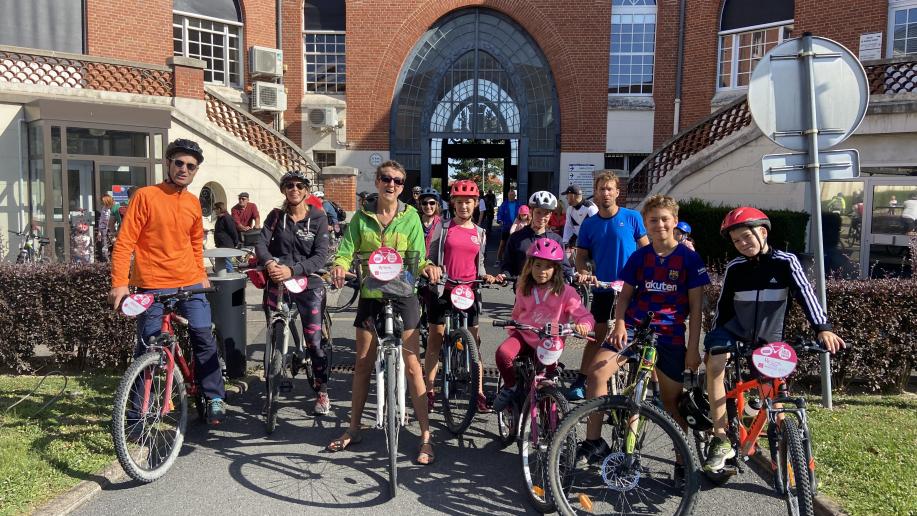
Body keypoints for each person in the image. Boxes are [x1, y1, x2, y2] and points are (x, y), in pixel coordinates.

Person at [702, 207, 845, 472]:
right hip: (733, 330)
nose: (742, 244)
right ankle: (720, 438)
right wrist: (715, 341)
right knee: (716, 362)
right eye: (736, 241)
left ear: (763, 232)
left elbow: (805, 293)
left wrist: (822, 328)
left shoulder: (785, 262)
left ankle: (783, 447)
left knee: (773, 398)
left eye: (746, 237)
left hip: (768, 337)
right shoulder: (735, 267)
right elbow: (723, 308)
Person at [579, 195, 709, 469]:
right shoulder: (640, 256)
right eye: (653, 220)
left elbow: (697, 309)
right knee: (596, 374)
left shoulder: (689, 258)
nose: (659, 224)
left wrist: (693, 349)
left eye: (664, 219)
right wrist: (620, 324)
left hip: (670, 335)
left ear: (675, 221)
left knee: (672, 404)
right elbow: (625, 296)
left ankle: (682, 464)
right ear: (646, 224)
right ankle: (594, 441)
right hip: (635, 328)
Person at [327, 160, 441, 465]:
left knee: (413, 366)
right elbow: (346, 250)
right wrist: (339, 264)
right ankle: (354, 429)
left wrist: (428, 267)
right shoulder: (362, 216)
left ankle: (426, 436)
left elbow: (419, 255)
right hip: (371, 295)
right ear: (377, 181)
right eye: (386, 179)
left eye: (398, 181)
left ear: (403, 186)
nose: (391, 184)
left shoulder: (411, 216)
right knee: (363, 364)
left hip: (403, 295)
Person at [108, 138, 226, 425]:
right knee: (148, 347)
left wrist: (202, 275)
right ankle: (137, 412)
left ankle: (214, 396)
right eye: (179, 163)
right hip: (153, 285)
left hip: (190, 283)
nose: (184, 169)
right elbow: (124, 243)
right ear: (168, 163)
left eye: (191, 166)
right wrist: (120, 283)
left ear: (195, 171)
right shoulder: (146, 196)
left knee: (202, 336)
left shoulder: (193, 203)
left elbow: (195, 245)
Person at [256, 171, 332, 414]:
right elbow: (261, 244)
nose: (294, 189)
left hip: (308, 283)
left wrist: (294, 270)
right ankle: (272, 386)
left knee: (314, 342)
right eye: (289, 185)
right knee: (273, 333)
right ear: (283, 190)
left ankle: (322, 391)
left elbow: (321, 255)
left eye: (300, 186)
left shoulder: (318, 217)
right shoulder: (276, 216)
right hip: (277, 281)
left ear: (306, 191)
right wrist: (269, 262)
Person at [568, 172, 649, 400]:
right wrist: (584, 272)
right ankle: (582, 379)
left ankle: (652, 388)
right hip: (603, 289)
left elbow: (646, 251)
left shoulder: (632, 217)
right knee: (598, 335)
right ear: (595, 192)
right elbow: (581, 256)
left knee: (641, 337)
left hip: (632, 290)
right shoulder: (589, 224)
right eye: (601, 189)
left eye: (610, 189)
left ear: (617, 192)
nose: (605, 193)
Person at [425, 180, 501, 414]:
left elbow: (479, 263)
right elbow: (429, 257)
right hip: (443, 289)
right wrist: (431, 268)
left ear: (476, 204)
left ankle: (479, 392)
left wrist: (486, 276)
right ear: (453, 204)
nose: (464, 206)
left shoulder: (480, 232)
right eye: (459, 202)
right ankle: (429, 390)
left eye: (468, 202)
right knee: (435, 339)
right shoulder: (443, 227)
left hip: (469, 291)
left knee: (474, 342)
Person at [492, 238, 594, 410]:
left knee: (546, 386)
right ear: (530, 266)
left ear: (556, 269)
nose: (542, 271)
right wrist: (513, 328)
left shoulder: (567, 292)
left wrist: (584, 325)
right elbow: (517, 313)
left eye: (548, 267)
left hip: (549, 343)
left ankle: (549, 417)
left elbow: (583, 314)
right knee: (503, 354)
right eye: (537, 265)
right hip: (524, 336)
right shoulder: (523, 288)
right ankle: (511, 387)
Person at [501, 191, 570, 279]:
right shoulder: (516, 238)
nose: (542, 217)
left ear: (550, 215)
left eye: (546, 213)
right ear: (531, 212)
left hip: (549, 287)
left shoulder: (556, 240)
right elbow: (507, 265)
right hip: (522, 286)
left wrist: (574, 276)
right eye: (538, 212)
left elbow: (564, 267)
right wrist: (505, 275)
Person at [213, 201, 240, 272]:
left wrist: (235, 242)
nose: (214, 211)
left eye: (215, 209)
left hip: (226, 245)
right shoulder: (220, 218)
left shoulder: (226, 218)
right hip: (221, 245)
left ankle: (231, 278)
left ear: (219, 209)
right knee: (221, 264)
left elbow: (233, 231)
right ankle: (223, 277)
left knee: (227, 264)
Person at [496, 189, 520, 261]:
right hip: (506, 227)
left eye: (512, 195)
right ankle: (498, 259)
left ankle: (513, 259)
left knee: (515, 244)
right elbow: (499, 213)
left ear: (515, 196)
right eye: (510, 195)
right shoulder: (504, 204)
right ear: (508, 195)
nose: (511, 196)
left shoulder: (519, 204)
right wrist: (499, 220)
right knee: (502, 244)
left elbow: (522, 214)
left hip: (516, 228)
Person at [418, 187, 442, 253]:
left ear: (437, 204)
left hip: (433, 259)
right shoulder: (416, 221)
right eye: (424, 203)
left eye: (432, 203)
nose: (428, 206)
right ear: (421, 205)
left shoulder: (442, 224)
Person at [97, 194, 116, 262]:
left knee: (115, 244)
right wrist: (99, 232)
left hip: (114, 229)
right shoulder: (104, 209)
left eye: (103, 202)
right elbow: (101, 220)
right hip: (105, 229)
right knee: (105, 246)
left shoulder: (115, 208)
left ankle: (114, 259)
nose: (103, 204)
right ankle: (107, 261)